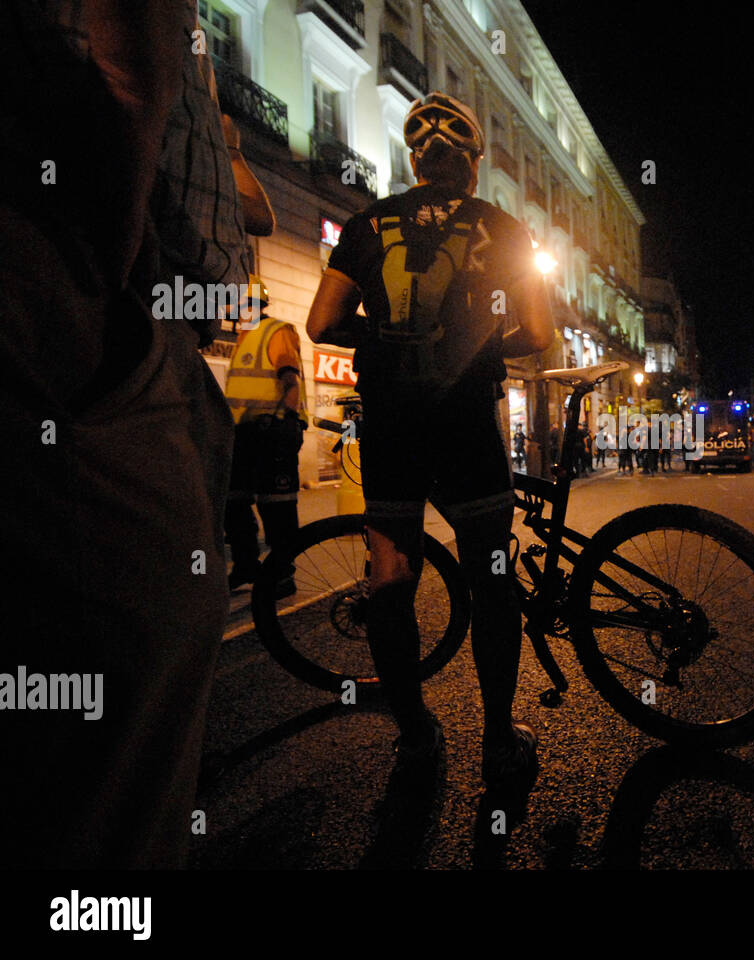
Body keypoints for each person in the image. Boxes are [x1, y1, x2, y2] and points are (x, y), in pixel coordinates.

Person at [1, 1, 270, 867]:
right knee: (114, 771)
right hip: (86, 283)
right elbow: (135, 57)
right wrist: (105, 275)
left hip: (115, 305)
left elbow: (257, 210)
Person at [306, 91, 554, 791]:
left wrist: (386, 344)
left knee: (389, 580)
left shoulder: (365, 223)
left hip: (390, 419)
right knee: (491, 577)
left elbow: (322, 322)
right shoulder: (500, 226)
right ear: (471, 164)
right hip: (467, 417)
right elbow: (537, 332)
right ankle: (499, 741)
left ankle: (416, 737)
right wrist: (477, 346)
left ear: (415, 160)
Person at [225, 278, 306, 595]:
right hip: (243, 435)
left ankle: (283, 574)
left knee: (277, 506)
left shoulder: (274, 331)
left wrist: (284, 419)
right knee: (234, 502)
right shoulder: (243, 338)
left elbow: (290, 378)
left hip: (269, 432)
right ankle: (247, 566)